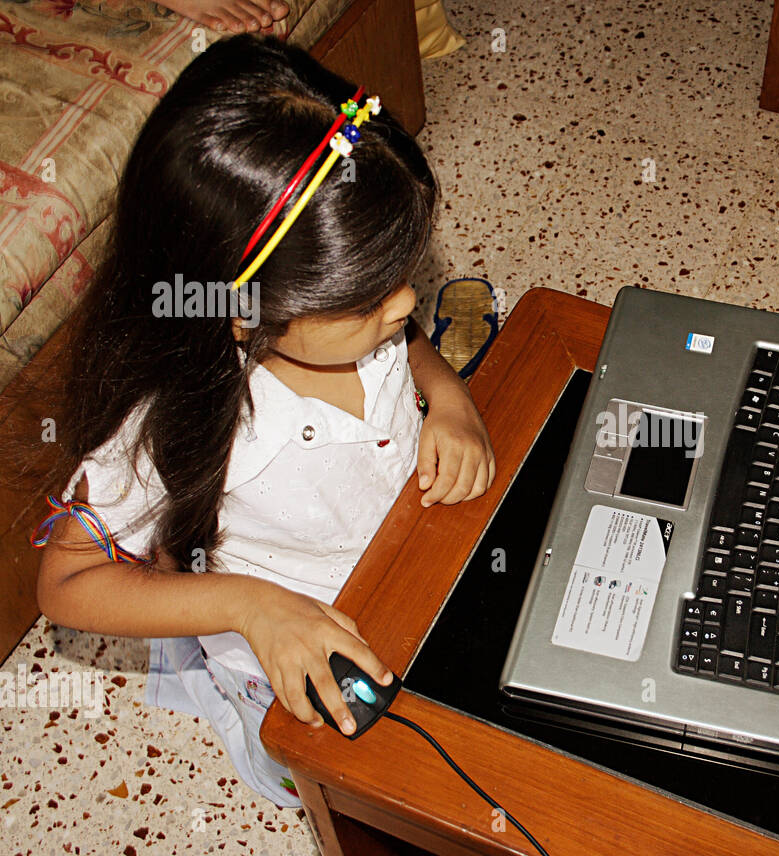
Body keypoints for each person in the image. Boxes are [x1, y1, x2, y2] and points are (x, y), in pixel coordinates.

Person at [32, 34, 494, 807]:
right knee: (343, 786)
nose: (407, 305)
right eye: (371, 299)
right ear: (244, 314)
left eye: (402, 278)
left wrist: (448, 396)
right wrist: (252, 606)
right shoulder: (177, 417)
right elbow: (66, 583)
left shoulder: (352, 316)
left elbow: (405, 342)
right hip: (293, 641)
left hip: (409, 563)